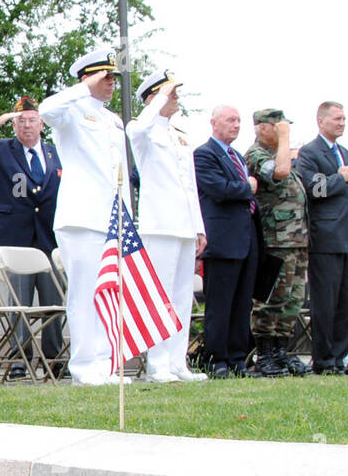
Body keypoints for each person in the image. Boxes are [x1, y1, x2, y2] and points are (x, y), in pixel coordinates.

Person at [39, 49, 132, 385]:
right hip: (81, 217)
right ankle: (83, 366)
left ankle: (107, 363)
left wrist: (127, 220)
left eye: (112, 78)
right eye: (104, 77)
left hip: (111, 218)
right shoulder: (71, 111)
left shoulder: (113, 121)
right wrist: (84, 87)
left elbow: (120, 173)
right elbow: (47, 109)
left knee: (109, 291)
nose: (111, 83)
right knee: (84, 293)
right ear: (87, 77)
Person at [0, 95, 64, 379]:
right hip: (16, 238)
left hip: (49, 239)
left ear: (41, 124)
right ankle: (19, 360)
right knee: (19, 304)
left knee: (53, 303)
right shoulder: (1, 149)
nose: (27, 126)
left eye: (32, 120)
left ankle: (55, 360)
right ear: (14, 125)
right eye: (21, 121)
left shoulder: (54, 152)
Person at [126, 72, 207, 382]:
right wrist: (161, 95)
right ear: (152, 98)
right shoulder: (142, 130)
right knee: (159, 296)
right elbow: (141, 125)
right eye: (170, 94)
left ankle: (177, 361)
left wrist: (199, 227)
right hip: (159, 224)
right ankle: (158, 363)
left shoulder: (179, 135)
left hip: (184, 224)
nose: (175, 98)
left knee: (182, 296)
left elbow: (190, 186)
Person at [295, 102, 348, 374]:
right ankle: (323, 359)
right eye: (337, 118)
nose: (342, 122)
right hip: (326, 239)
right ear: (321, 121)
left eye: (344, 118)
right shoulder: (310, 153)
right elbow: (312, 190)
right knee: (326, 302)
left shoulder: (344, 152)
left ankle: (339, 357)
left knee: (347, 301)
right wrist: (338, 177)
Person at [193, 105, 260, 378]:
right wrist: (249, 188)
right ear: (214, 123)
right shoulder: (204, 154)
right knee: (220, 305)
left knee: (242, 303)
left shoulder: (237, 157)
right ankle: (216, 358)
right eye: (230, 120)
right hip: (221, 241)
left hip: (245, 238)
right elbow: (218, 189)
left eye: (239, 120)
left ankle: (237, 358)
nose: (236, 125)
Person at [244, 108, 309, 376]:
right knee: (271, 300)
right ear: (262, 127)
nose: (285, 130)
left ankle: (282, 352)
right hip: (275, 240)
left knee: (292, 301)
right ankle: (265, 354)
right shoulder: (256, 154)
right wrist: (285, 140)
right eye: (279, 126)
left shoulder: (279, 153)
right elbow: (280, 172)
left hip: (296, 239)